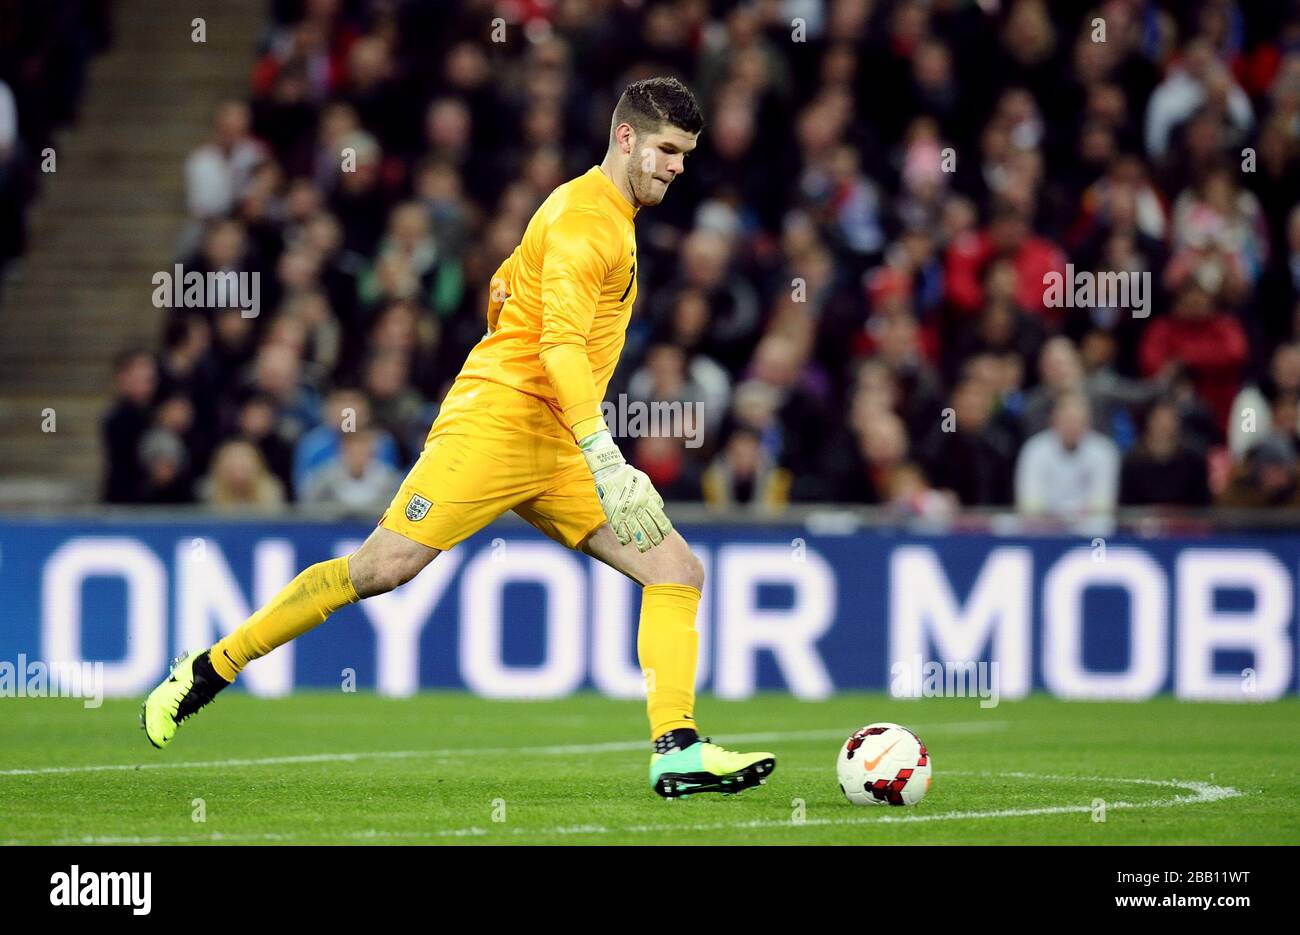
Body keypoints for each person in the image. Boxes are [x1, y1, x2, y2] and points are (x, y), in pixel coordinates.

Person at [142, 77, 775, 799]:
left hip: (555, 439)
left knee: (677, 571)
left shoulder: (597, 211)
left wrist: (563, 411)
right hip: (501, 424)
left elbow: (503, 288)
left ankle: (677, 749)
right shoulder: (585, 223)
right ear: (625, 137)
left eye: (686, 155)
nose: (677, 167)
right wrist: (606, 454)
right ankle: (206, 670)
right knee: (381, 569)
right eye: (667, 150)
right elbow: (560, 348)